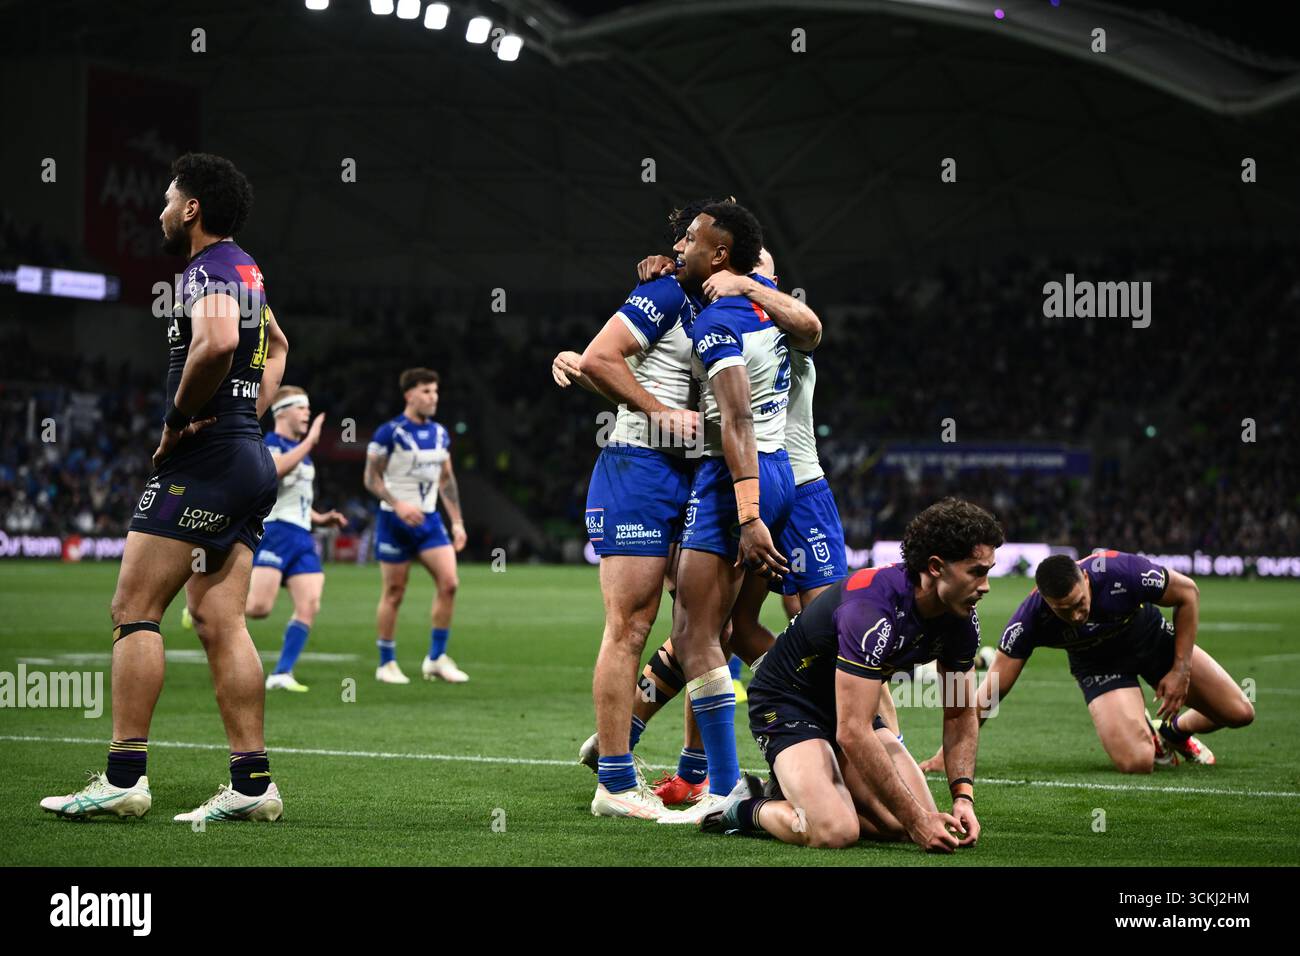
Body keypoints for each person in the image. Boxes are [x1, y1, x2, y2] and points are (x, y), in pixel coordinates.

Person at [41, 152, 288, 822]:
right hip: (246, 457)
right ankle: (252, 783)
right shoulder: (249, 270)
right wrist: (246, 416)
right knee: (218, 618)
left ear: (192, 209)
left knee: (134, 607)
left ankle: (125, 777)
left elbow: (212, 344)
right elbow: (279, 347)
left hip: (204, 463)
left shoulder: (206, 268)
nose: (159, 211)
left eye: (166, 199)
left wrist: (178, 424)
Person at [702, 498, 1002, 850]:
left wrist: (962, 796)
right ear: (936, 567)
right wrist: (918, 820)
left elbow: (959, 710)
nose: (986, 586)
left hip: (851, 707)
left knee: (900, 823)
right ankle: (746, 805)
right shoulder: (870, 609)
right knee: (835, 831)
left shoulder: (961, 620)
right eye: (977, 572)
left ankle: (800, 791)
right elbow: (852, 732)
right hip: (790, 703)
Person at [921, 551, 1254, 774]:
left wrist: (1180, 671)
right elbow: (991, 691)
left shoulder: (1120, 571)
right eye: (1063, 611)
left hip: (1150, 640)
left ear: (1085, 578)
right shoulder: (1031, 619)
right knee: (1138, 763)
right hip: (1099, 665)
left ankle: (1173, 729)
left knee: (1239, 713)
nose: (1077, 615)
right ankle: (1143, 730)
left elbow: (1188, 594)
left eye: (1080, 603)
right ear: (1046, 602)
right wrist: (949, 752)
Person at [364, 368, 468, 684]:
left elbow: (447, 480)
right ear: (409, 395)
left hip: (430, 521)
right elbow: (371, 478)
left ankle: (436, 658)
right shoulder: (389, 432)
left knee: (450, 583)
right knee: (394, 592)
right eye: (426, 391)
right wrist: (398, 504)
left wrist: (457, 522)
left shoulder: (440, 433)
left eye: (435, 391)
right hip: (394, 521)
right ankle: (386, 662)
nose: (432, 397)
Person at [245, 386, 348, 693]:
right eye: (301, 408)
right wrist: (311, 443)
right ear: (282, 412)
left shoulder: (302, 456)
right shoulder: (270, 445)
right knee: (259, 608)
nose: (307, 414)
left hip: (302, 536)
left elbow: (295, 501)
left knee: (310, 603)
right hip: (276, 532)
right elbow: (274, 472)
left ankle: (282, 673)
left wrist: (320, 518)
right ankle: (203, 608)